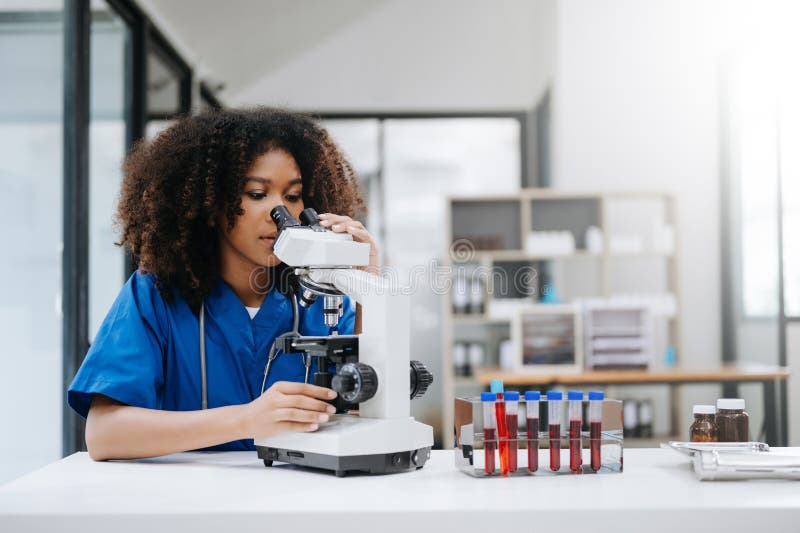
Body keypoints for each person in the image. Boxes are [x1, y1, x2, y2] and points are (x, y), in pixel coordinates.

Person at [67, 107, 379, 461]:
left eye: (293, 197)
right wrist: (247, 420)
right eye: (257, 194)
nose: (280, 214)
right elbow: (104, 434)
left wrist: (369, 285)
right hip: (193, 505)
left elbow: (366, 414)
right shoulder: (155, 296)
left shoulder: (324, 296)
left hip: (298, 502)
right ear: (212, 205)